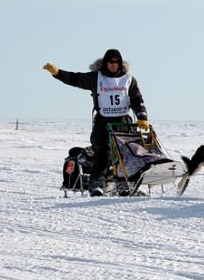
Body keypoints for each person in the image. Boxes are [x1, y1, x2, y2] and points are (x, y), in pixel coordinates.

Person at [43, 48, 149, 195]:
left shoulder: (128, 79)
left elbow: (137, 99)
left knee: (127, 154)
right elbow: (75, 79)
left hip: (124, 123)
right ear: (106, 63)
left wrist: (142, 117)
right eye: (111, 62)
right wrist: (57, 73)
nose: (114, 65)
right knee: (104, 154)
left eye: (117, 62)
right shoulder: (96, 78)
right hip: (103, 124)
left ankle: (125, 185)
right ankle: (96, 184)